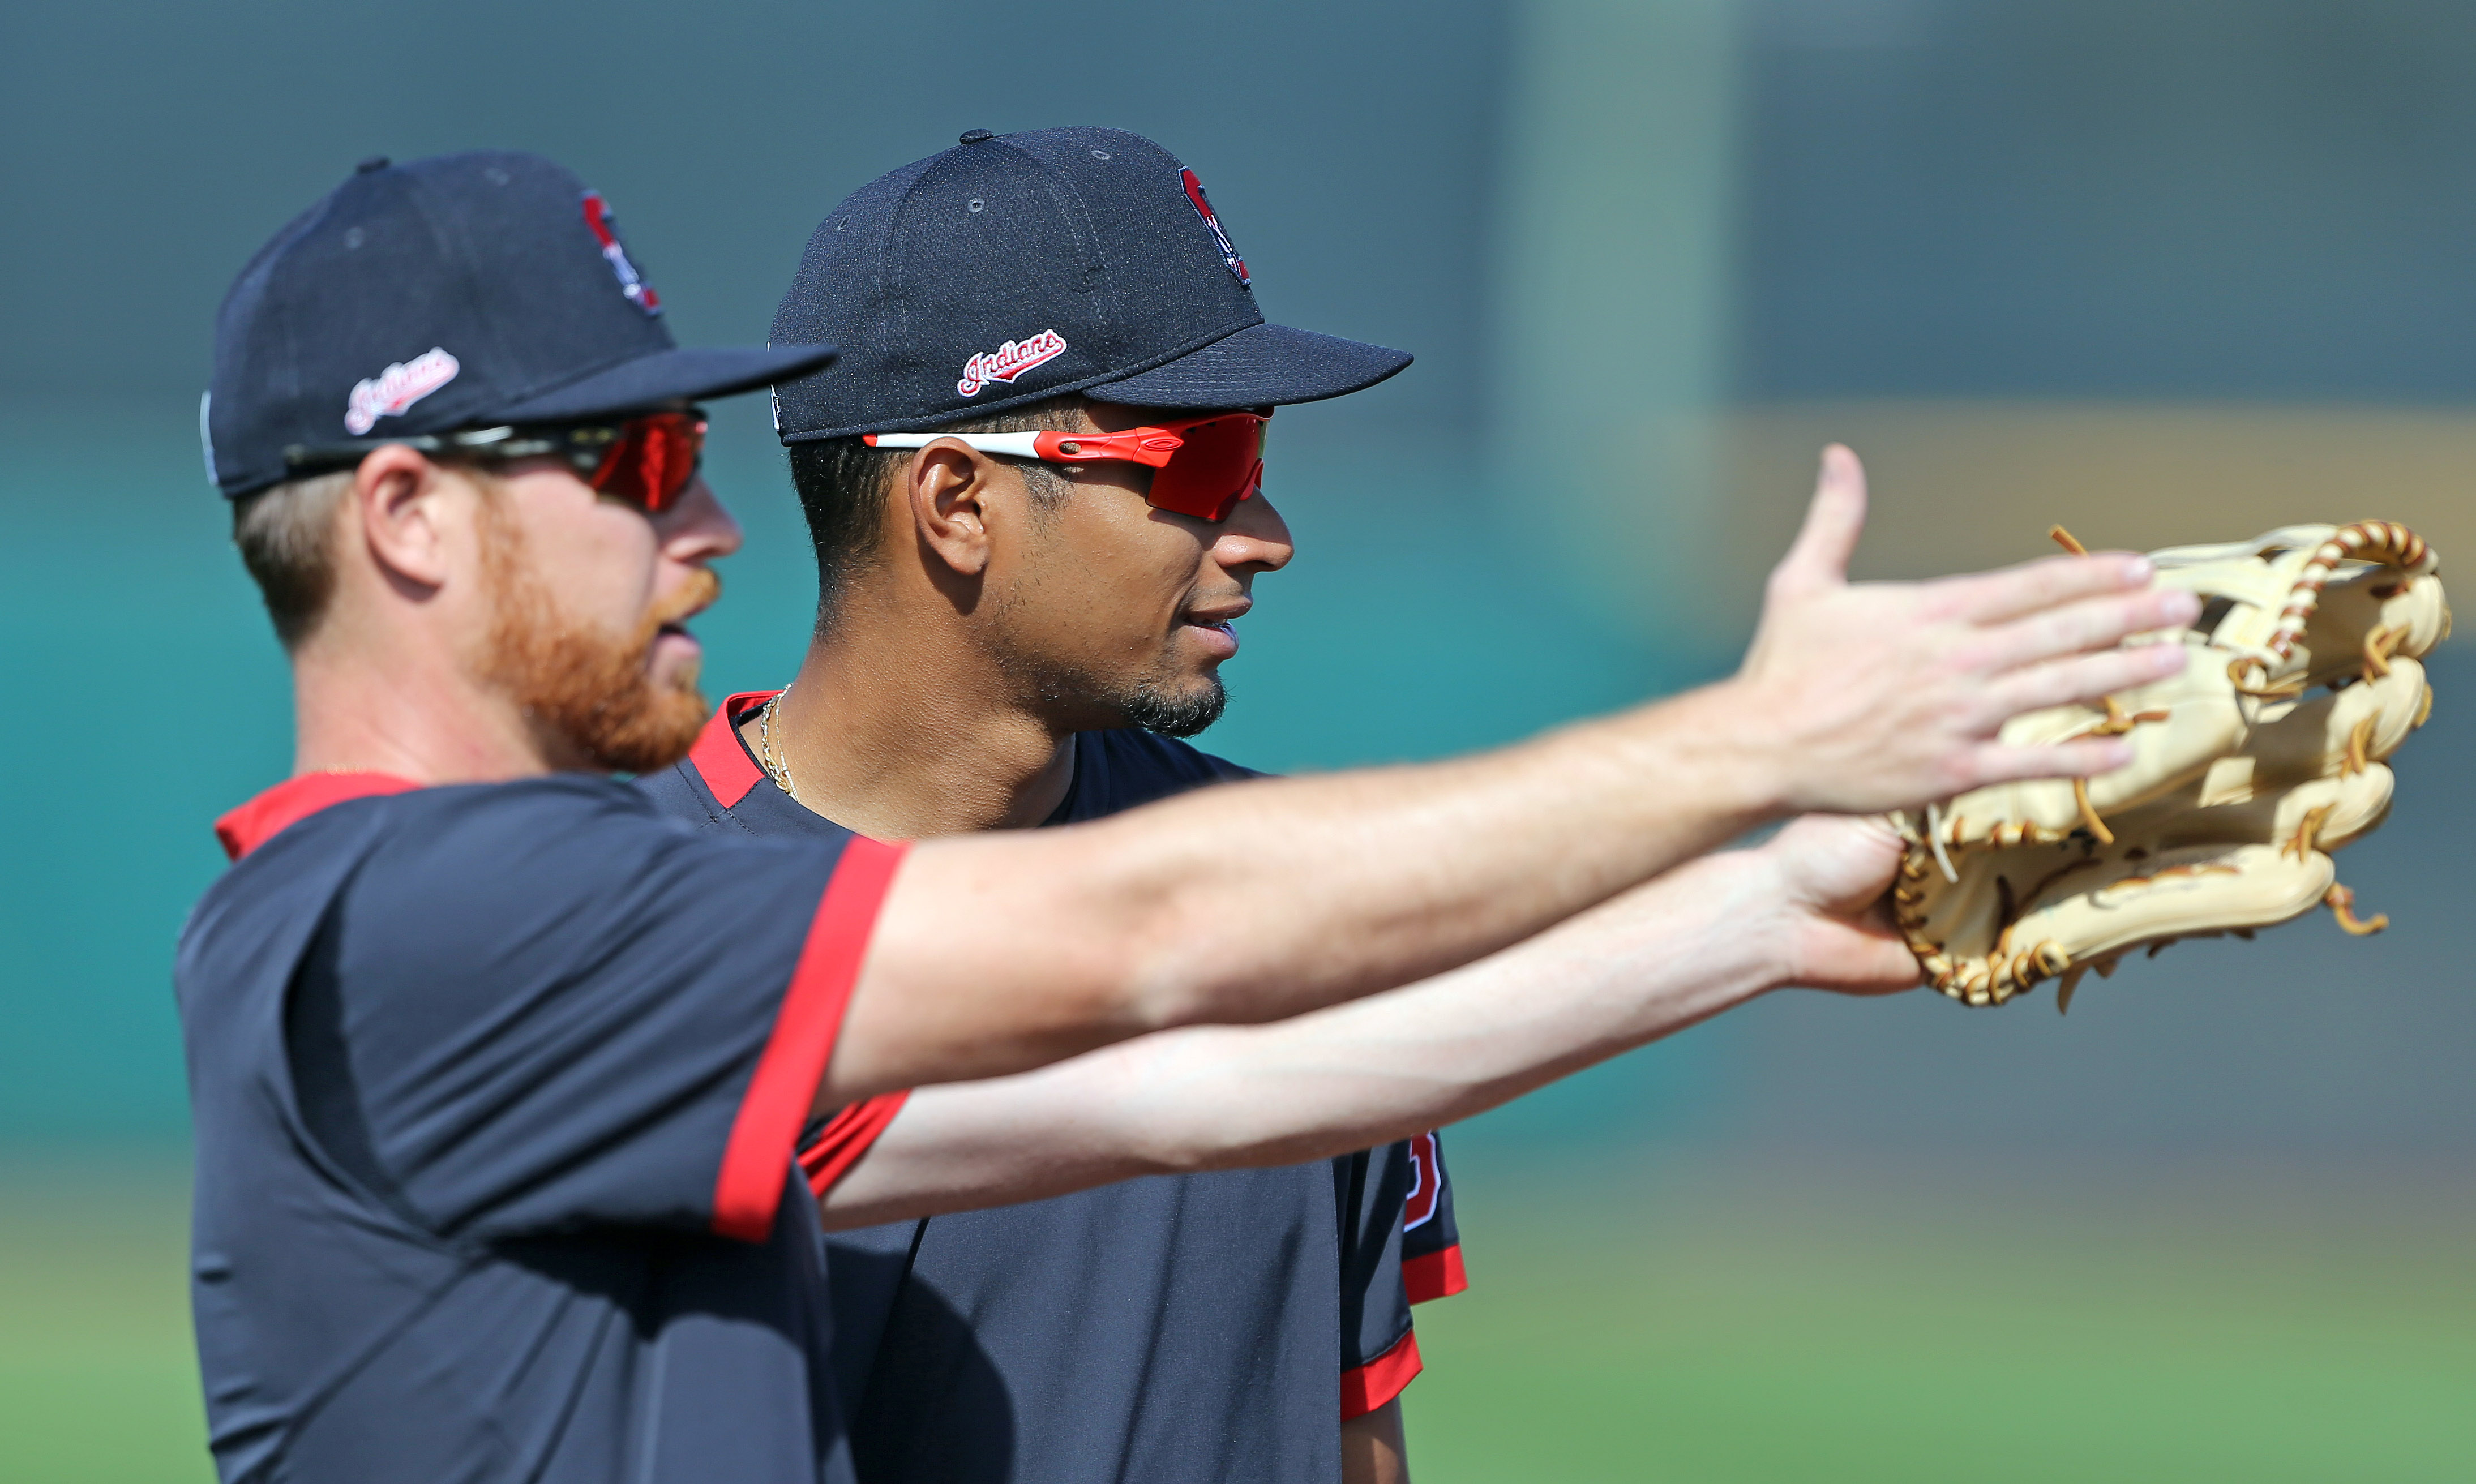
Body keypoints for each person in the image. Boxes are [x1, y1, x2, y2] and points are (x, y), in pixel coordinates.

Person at [180, 148, 2196, 1484]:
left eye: (695, 450)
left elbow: (1186, 1090)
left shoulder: (529, 940)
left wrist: (1756, 917)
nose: (699, 517)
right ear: (406, 516)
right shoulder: (428, 924)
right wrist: (1751, 743)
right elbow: (1147, 945)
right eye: (629, 462)